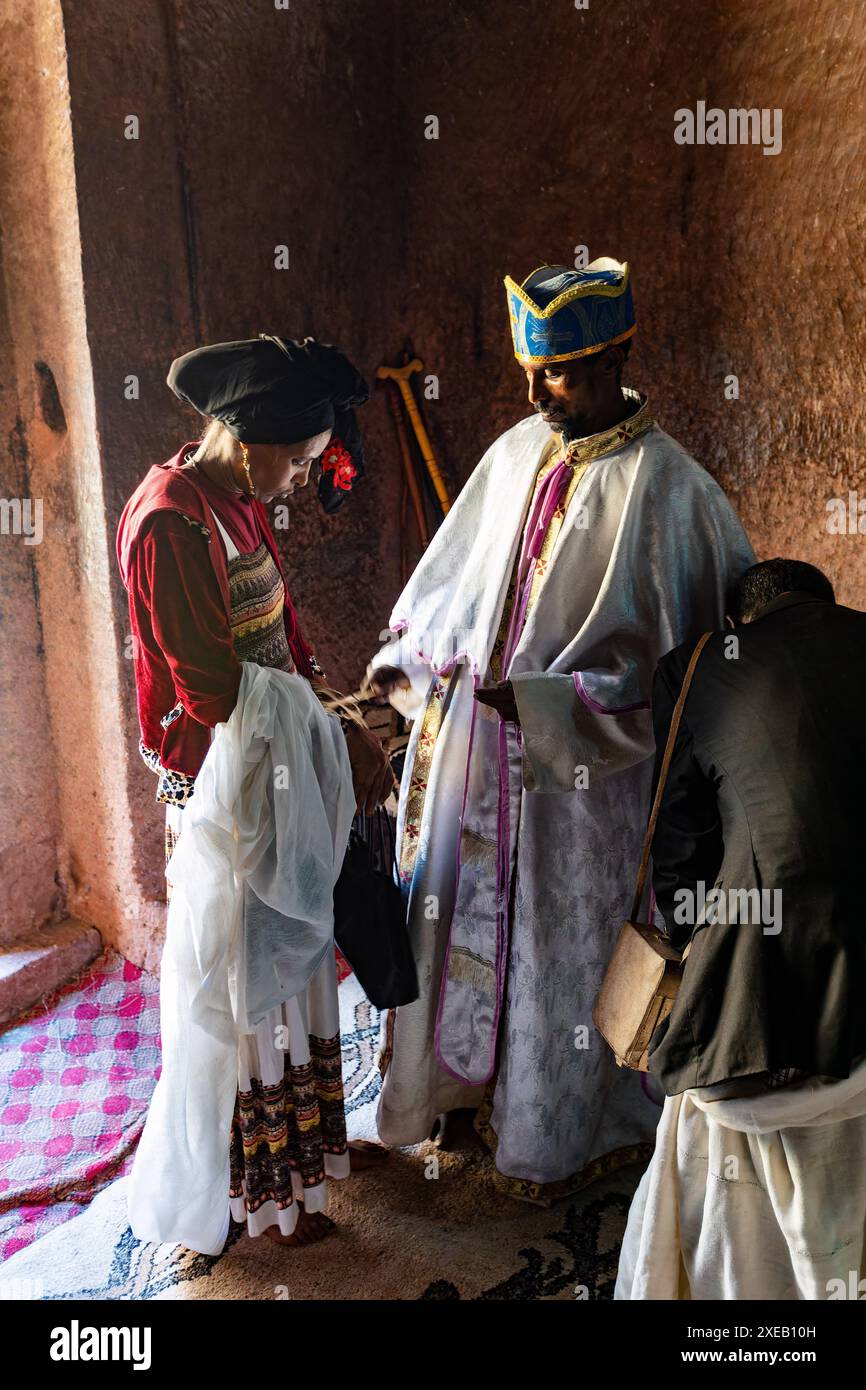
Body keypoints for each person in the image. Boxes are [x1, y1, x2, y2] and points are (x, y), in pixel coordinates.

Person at [364, 258, 755, 1200]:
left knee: (557, 956)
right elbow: (447, 593)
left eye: (565, 371)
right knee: (452, 924)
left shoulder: (676, 496)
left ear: (619, 352)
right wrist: (411, 668)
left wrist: (549, 707)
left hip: (583, 803)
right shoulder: (511, 455)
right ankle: (461, 1092)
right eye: (533, 371)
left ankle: (560, 1126)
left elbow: (692, 680)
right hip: (476, 768)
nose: (541, 391)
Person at [117, 335, 391, 1249]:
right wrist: (329, 730)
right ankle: (259, 1199)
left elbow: (287, 636)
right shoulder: (172, 521)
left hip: (277, 773)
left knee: (292, 965)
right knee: (244, 989)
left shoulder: (239, 499)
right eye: (299, 462)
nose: (300, 483)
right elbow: (215, 688)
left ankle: (301, 1168)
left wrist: (335, 707)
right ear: (248, 434)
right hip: (225, 793)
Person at [617, 558, 866, 1299]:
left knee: (719, 1010)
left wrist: (698, 954)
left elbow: (681, 850)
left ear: (738, 625)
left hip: (776, 992)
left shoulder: (697, 666)